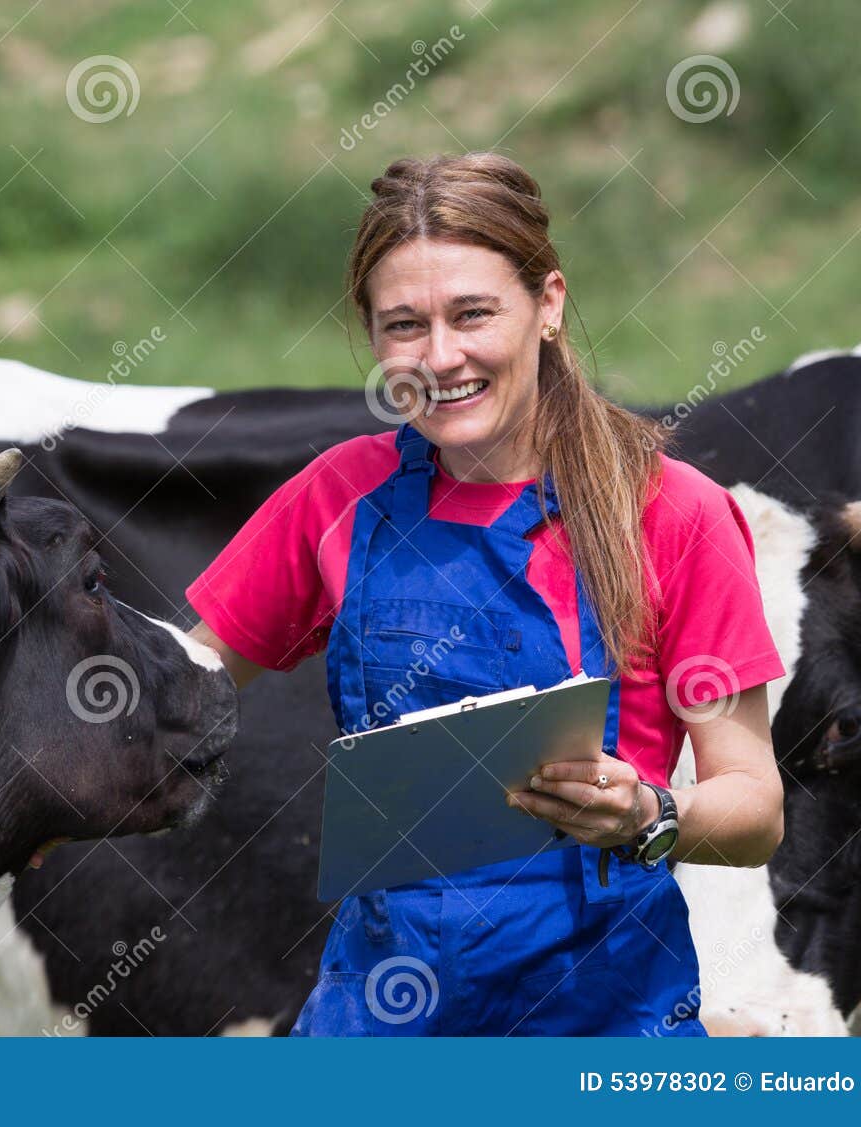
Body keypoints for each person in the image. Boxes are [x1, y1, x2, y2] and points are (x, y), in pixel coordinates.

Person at [184, 152, 786, 1036]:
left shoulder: (675, 513)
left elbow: (755, 807)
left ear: (548, 303)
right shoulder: (336, 494)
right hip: (379, 1024)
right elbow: (187, 684)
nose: (440, 357)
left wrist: (648, 812)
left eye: (473, 314)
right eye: (404, 325)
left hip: (607, 1022)